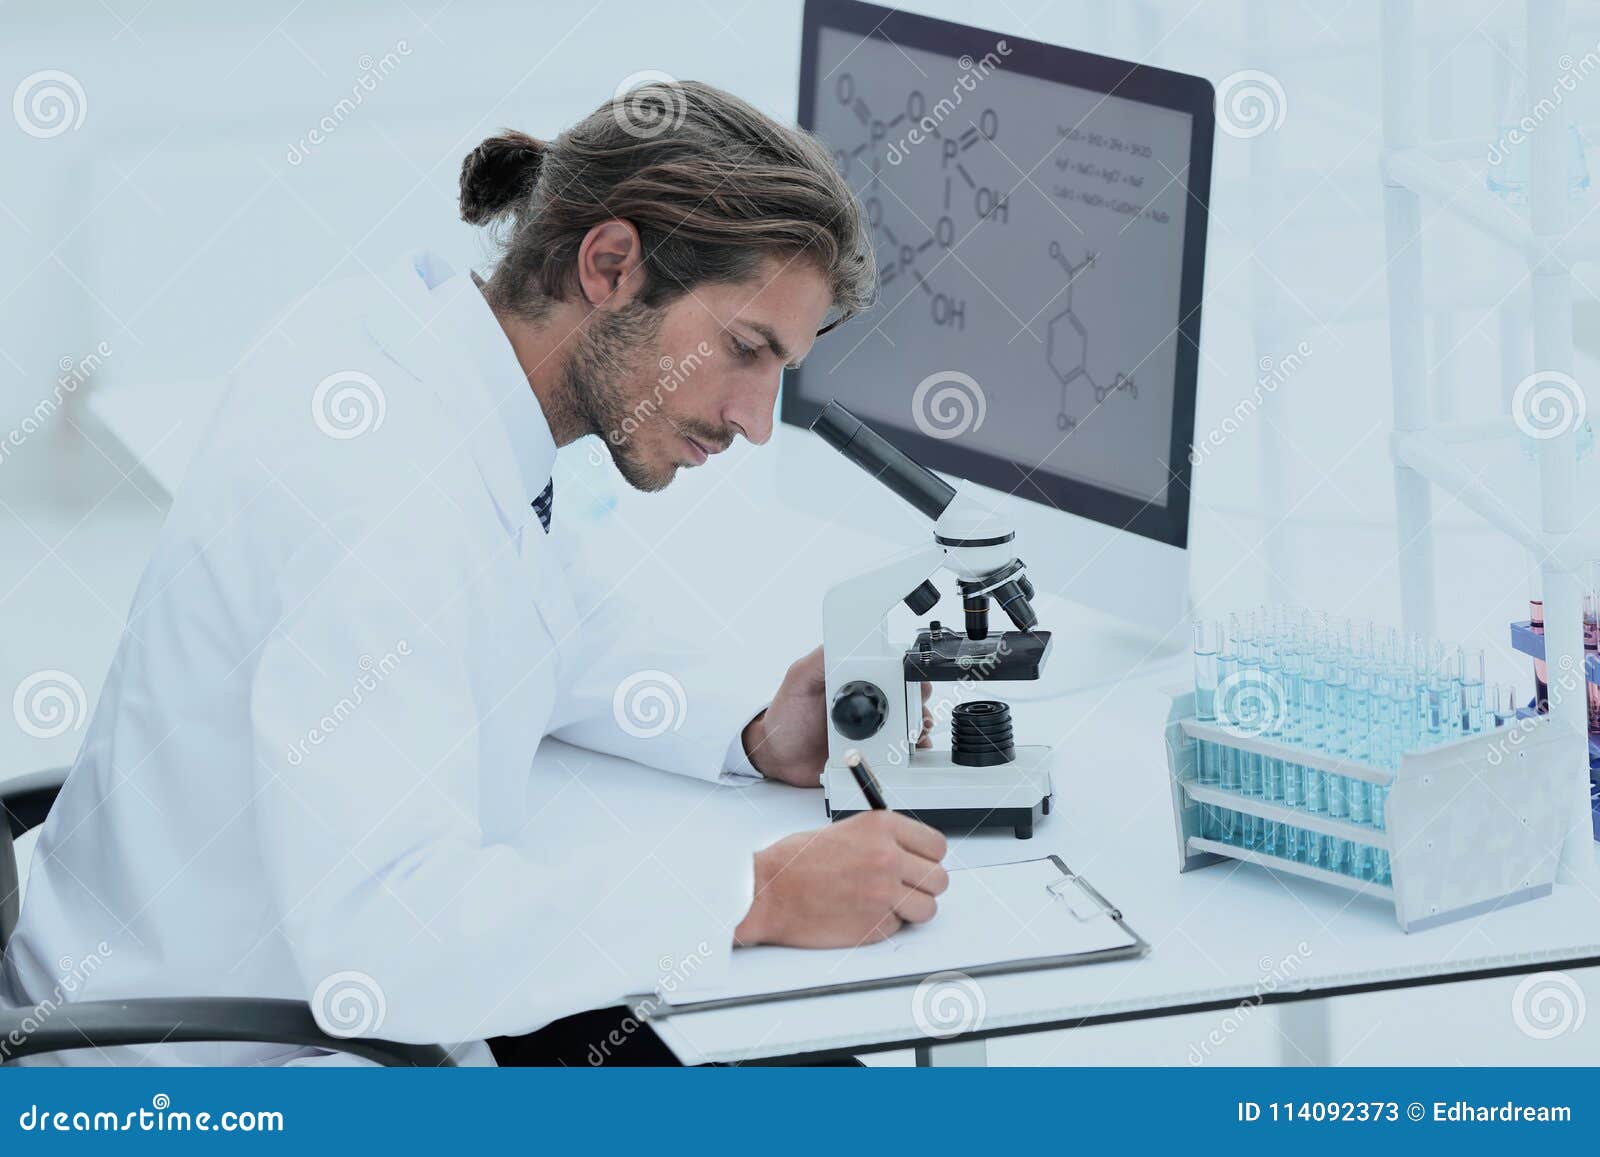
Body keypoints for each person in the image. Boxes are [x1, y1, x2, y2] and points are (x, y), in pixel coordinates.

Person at [1, 80, 950, 1067]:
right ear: (610, 264)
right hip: (198, 1085)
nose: (755, 420)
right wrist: (752, 895)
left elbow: (534, 612)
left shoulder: (397, 346)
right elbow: (385, 937)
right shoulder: (387, 496)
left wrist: (750, 731)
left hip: (181, 998)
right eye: (745, 349)